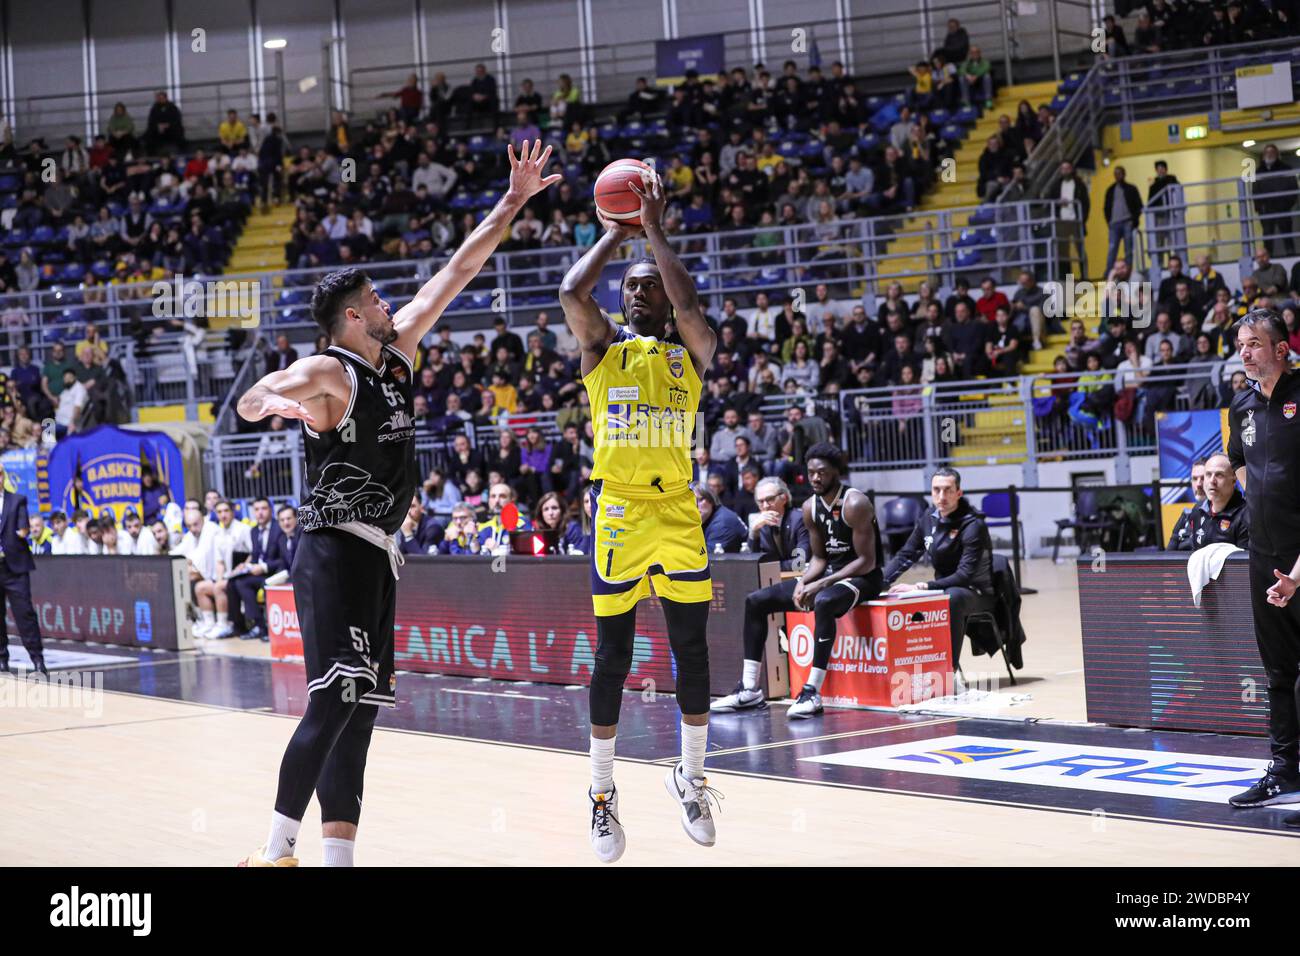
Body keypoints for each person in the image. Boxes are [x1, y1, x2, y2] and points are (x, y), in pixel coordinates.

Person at [233, 138, 558, 867]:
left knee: (359, 717)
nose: (389, 305)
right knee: (332, 700)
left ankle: (336, 861)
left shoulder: (398, 352)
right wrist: (271, 406)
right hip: (332, 547)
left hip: (380, 554)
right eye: (376, 300)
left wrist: (512, 200)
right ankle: (273, 851)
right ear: (352, 318)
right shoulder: (328, 369)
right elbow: (259, 396)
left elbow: (457, 270)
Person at [559, 169, 719, 863]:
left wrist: (653, 232)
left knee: (690, 651)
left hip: (677, 509)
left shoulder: (690, 352)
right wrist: (613, 234)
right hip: (621, 511)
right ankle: (600, 795)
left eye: (645, 283)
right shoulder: (604, 353)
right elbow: (571, 291)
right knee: (613, 657)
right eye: (628, 286)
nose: (635, 291)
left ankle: (691, 778)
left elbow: (691, 313)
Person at [711, 443, 881, 717]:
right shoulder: (809, 507)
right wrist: (805, 581)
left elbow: (867, 561)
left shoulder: (855, 503)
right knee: (755, 601)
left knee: (824, 601)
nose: (815, 478)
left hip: (863, 578)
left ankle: (812, 692)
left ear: (836, 472)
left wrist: (821, 583)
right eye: (811, 472)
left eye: (822, 472)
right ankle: (750, 690)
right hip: (829, 575)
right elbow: (820, 559)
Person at [1225, 308, 1300, 825]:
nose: (1246, 352)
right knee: (1277, 670)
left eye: (1255, 343)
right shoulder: (1242, 405)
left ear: (1281, 349)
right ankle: (1284, 769)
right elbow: (1238, 463)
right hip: (1264, 556)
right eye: (1241, 344)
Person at [882, 467, 994, 668]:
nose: (941, 496)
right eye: (936, 490)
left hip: (975, 591)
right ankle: (915, 667)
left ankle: (949, 670)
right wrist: (878, 582)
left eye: (948, 490)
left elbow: (964, 576)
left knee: (952, 597)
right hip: (942, 588)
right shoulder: (928, 517)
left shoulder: (973, 525)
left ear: (959, 493)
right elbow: (906, 554)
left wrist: (922, 587)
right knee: (901, 598)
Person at [0, 460, 45, 675]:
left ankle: (37, 659)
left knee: (24, 613)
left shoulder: (17, 500)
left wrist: (23, 530)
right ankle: (1, 660)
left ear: (3, 477)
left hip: (14, 567)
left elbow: (22, 528)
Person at [228, 498, 286, 641]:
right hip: (259, 572)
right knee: (236, 582)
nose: (260, 513)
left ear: (270, 510)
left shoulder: (278, 528)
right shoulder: (254, 531)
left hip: (276, 572)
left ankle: (269, 628)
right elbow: (255, 555)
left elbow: (283, 558)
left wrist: (264, 567)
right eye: (257, 509)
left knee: (264, 584)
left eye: (263, 509)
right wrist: (246, 566)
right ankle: (248, 625)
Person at [1170, 452, 1248, 551]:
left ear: (1234, 479)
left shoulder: (1247, 516)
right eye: (1208, 475)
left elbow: (1243, 564)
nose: (1212, 481)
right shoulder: (1197, 511)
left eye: (1219, 475)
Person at [743, 476, 810, 570]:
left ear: (784, 498)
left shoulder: (799, 519)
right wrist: (753, 533)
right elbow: (751, 564)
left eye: (770, 499)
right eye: (761, 501)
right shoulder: (760, 524)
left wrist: (769, 567)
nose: (765, 506)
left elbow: (801, 561)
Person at [1166, 457, 1208, 549]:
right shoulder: (1186, 515)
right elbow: (1168, 555)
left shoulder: (1221, 517)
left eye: (1203, 478)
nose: (1198, 484)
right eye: (1194, 479)